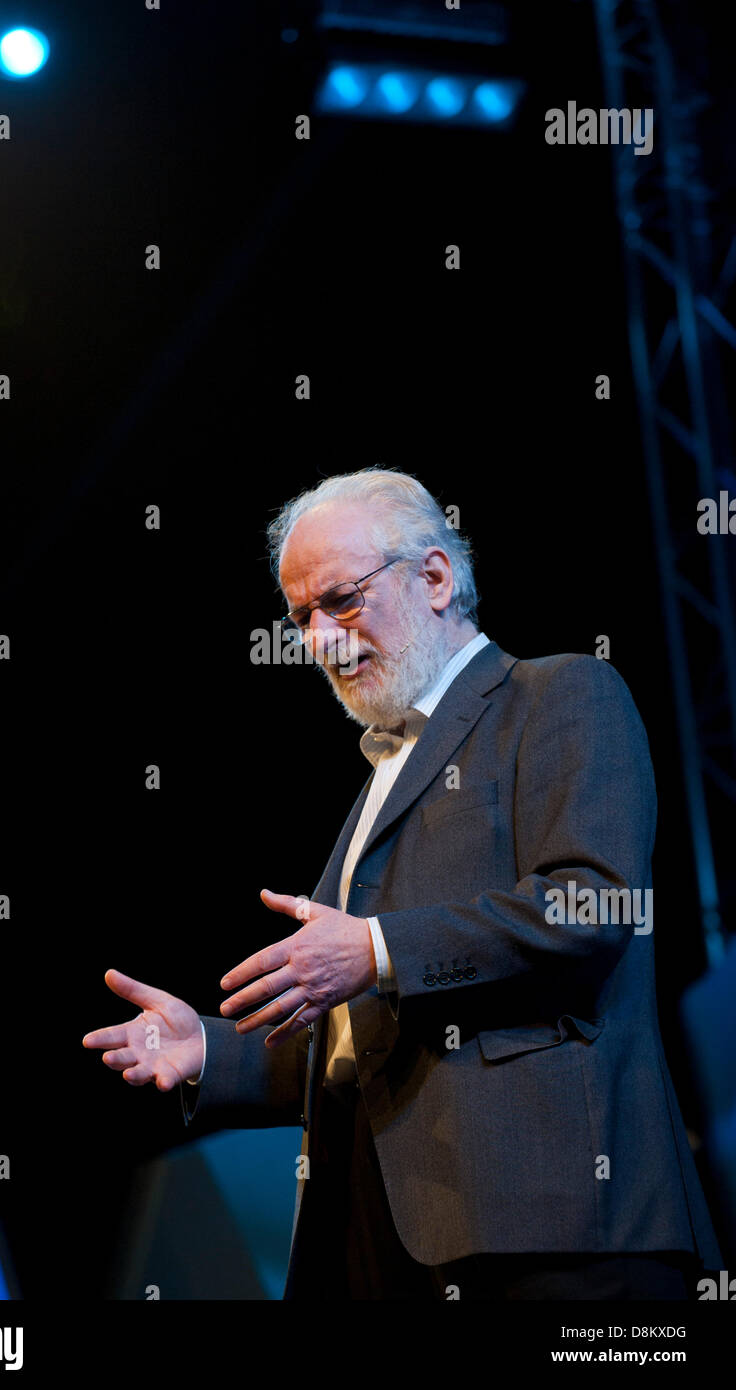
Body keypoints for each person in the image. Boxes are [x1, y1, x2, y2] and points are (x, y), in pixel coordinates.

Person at [83, 467, 723, 1301]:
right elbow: (367, 1032)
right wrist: (212, 1050)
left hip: (551, 1227)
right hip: (379, 1238)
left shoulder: (559, 695)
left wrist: (378, 948)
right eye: (301, 618)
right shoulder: (381, 776)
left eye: (342, 599)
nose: (323, 639)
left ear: (434, 577)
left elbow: (591, 905)